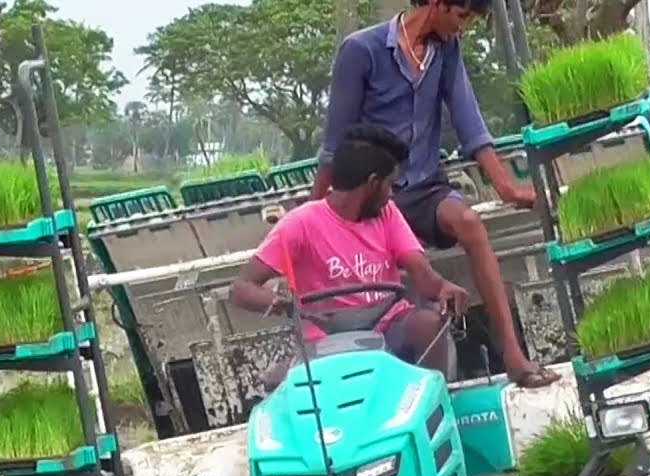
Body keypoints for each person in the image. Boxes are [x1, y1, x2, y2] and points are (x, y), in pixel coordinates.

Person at [311, 0, 561, 389]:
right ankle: (406, 385)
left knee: (469, 223)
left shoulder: (445, 50)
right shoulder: (362, 51)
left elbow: (469, 120)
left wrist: (507, 188)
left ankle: (513, 354)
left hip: (426, 185)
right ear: (437, 4)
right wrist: (316, 216)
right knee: (405, 280)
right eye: (460, 16)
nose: (462, 28)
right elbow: (334, 144)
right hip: (377, 197)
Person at [230, 124, 469, 389]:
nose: (392, 194)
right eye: (389, 184)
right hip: (325, 337)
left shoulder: (387, 214)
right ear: (372, 183)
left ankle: (435, 398)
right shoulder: (300, 223)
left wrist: (443, 287)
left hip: (388, 324)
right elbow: (241, 288)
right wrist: (281, 304)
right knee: (291, 381)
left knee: (428, 324)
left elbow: (421, 271)